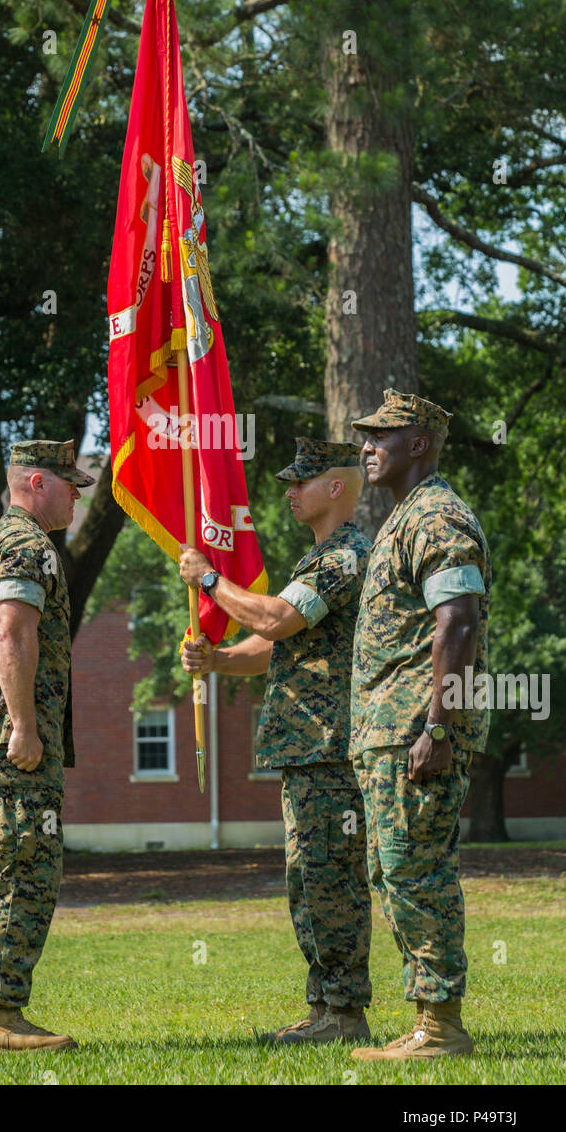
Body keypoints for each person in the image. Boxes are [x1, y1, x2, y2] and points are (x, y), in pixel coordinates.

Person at [180, 439, 372, 1044]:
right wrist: (216, 659)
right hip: (307, 750)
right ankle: (325, 1009)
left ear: (336, 487)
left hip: (330, 749)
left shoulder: (345, 556)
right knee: (309, 879)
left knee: (330, 878)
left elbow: (275, 621)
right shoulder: (316, 559)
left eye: (301, 482)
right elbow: (270, 647)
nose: (289, 492)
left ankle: (344, 1014)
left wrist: (209, 578)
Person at [347, 389, 491, 1062]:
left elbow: (458, 618)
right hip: (390, 731)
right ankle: (428, 1020)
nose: (366, 446)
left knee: (415, 872)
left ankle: (441, 1026)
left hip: (415, 729)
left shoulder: (436, 515)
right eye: (364, 436)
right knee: (394, 871)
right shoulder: (404, 517)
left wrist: (437, 723)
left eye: (382, 435)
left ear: (420, 443)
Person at [0, 439, 94, 1054]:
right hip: (6, 741)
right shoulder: (27, 546)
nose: (78, 496)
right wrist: (26, 725)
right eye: (69, 485)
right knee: (23, 864)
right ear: (37, 482)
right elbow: (13, 628)